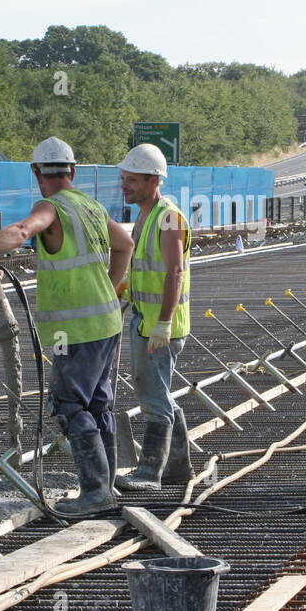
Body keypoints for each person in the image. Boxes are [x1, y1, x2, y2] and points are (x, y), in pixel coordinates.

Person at [0, 138, 133, 515]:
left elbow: (23, 230)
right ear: (72, 171)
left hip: (71, 331)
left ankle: (95, 493)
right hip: (107, 321)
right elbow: (124, 243)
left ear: (36, 173)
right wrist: (110, 287)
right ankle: (106, 487)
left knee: (68, 404)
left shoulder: (51, 207)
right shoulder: (90, 206)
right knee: (97, 404)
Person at [114, 144, 193, 492]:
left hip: (162, 325)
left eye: (132, 180)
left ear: (153, 180)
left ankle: (149, 473)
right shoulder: (146, 217)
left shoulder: (169, 217)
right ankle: (178, 467)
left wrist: (163, 322)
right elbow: (142, 270)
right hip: (145, 320)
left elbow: (174, 272)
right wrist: (121, 299)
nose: (125, 185)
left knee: (152, 397)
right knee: (159, 393)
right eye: (123, 179)